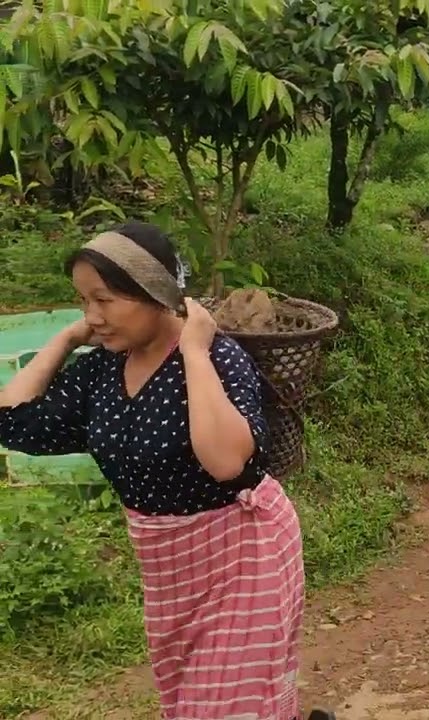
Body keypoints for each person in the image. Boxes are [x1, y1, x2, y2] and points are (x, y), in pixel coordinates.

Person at [0, 223, 336, 720]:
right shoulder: (102, 370)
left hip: (243, 555)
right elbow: (13, 424)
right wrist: (67, 339)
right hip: (169, 570)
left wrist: (194, 352)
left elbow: (226, 462)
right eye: (83, 301)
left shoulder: (221, 359)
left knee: (222, 706)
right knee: (190, 700)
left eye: (104, 300)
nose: (93, 316)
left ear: (155, 292)